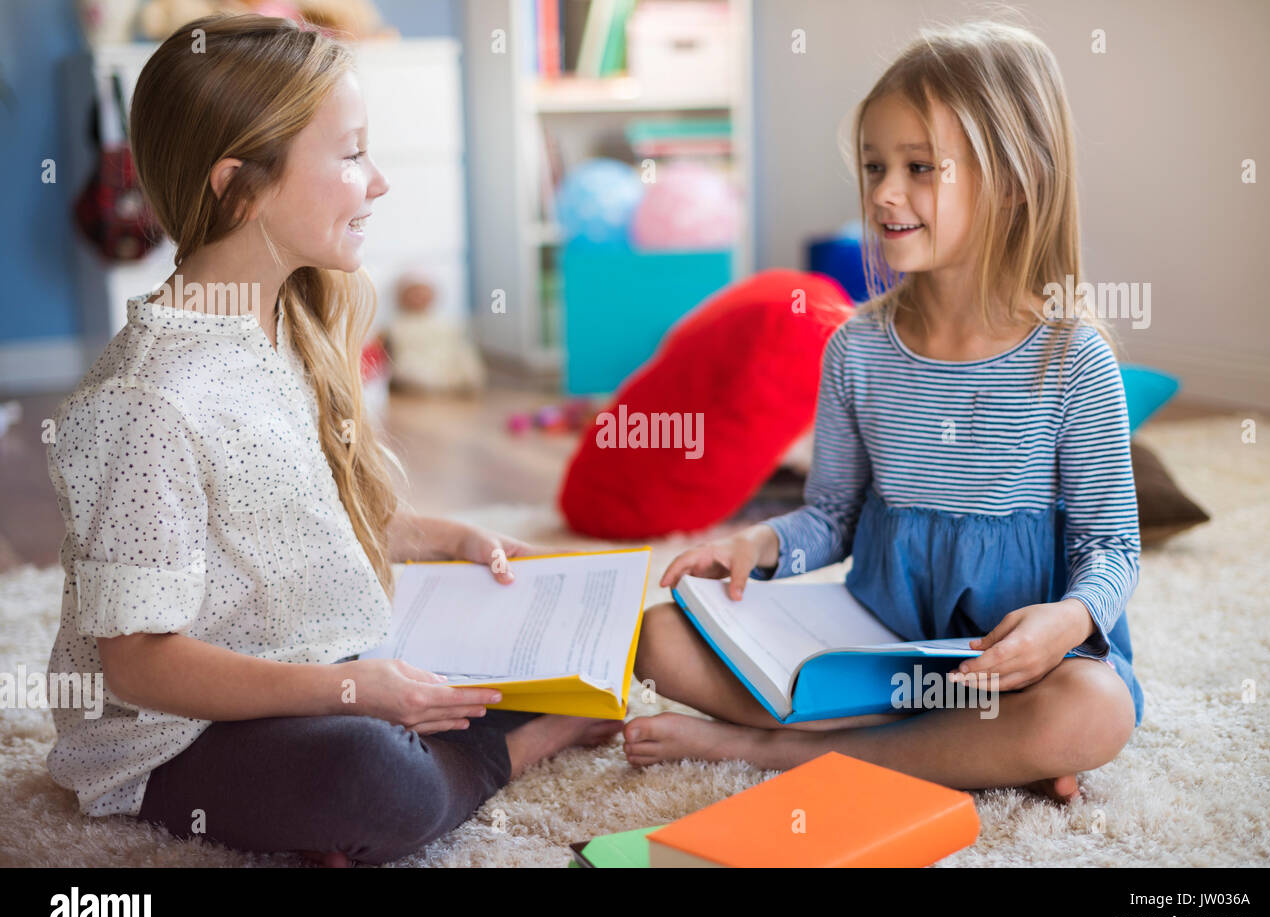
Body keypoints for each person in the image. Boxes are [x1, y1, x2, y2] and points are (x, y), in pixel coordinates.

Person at [44, 13, 620, 867]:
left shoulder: (276, 326)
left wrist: (450, 538)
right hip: (176, 739)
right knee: (370, 774)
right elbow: (137, 666)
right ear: (239, 188)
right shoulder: (147, 399)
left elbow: (297, 522)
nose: (378, 182)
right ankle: (512, 750)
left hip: (304, 671)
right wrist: (351, 687)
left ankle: (445, 741)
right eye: (351, 154)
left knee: (602, 626)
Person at [624, 19, 1143, 805]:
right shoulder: (857, 349)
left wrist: (1068, 623)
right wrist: (761, 544)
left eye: (918, 168)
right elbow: (832, 515)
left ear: (1014, 178)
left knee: (1095, 710)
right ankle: (961, 753)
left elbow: (1111, 545)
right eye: (874, 166)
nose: (882, 194)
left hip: (1008, 667)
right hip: (879, 650)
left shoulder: (1072, 358)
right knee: (660, 633)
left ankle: (781, 751)